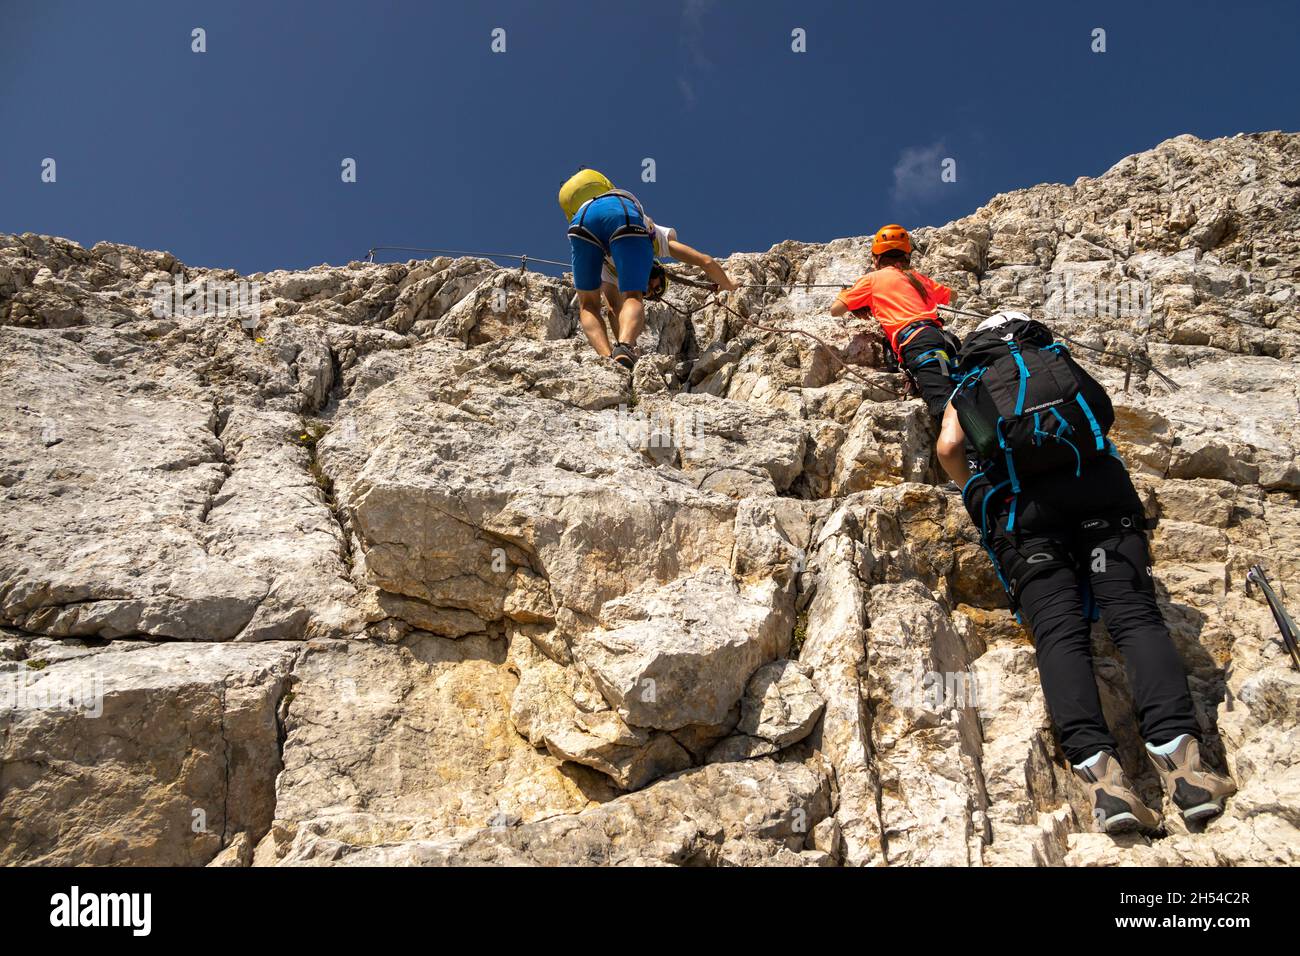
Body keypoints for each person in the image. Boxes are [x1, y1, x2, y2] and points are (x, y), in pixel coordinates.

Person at [935, 311, 1236, 834]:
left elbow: (948, 449)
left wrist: (975, 489)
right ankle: (1184, 768)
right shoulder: (1054, 361)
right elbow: (1101, 417)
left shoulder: (972, 383)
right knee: (1135, 617)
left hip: (1024, 518)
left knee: (1058, 632)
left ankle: (1104, 782)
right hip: (1102, 499)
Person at [559, 168, 737, 370]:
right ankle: (624, 348)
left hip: (582, 218)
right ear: (657, 268)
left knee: (588, 306)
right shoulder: (657, 240)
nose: (650, 288)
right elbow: (704, 261)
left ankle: (608, 359)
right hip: (619, 211)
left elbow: (612, 309)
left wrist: (621, 353)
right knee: (633, 297)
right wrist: (729, 286)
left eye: (652, 293)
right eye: (657, 284)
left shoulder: (609, 271)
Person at [830, 225, 957, 419]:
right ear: (906, 257)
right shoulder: (918, 278)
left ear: (875, 259)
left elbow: (836, 310)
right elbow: (952, 295)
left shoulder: (872, 279)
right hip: (945, 341)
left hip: (918, 343)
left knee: (945, 409)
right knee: (961, 394)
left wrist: (848, 296)